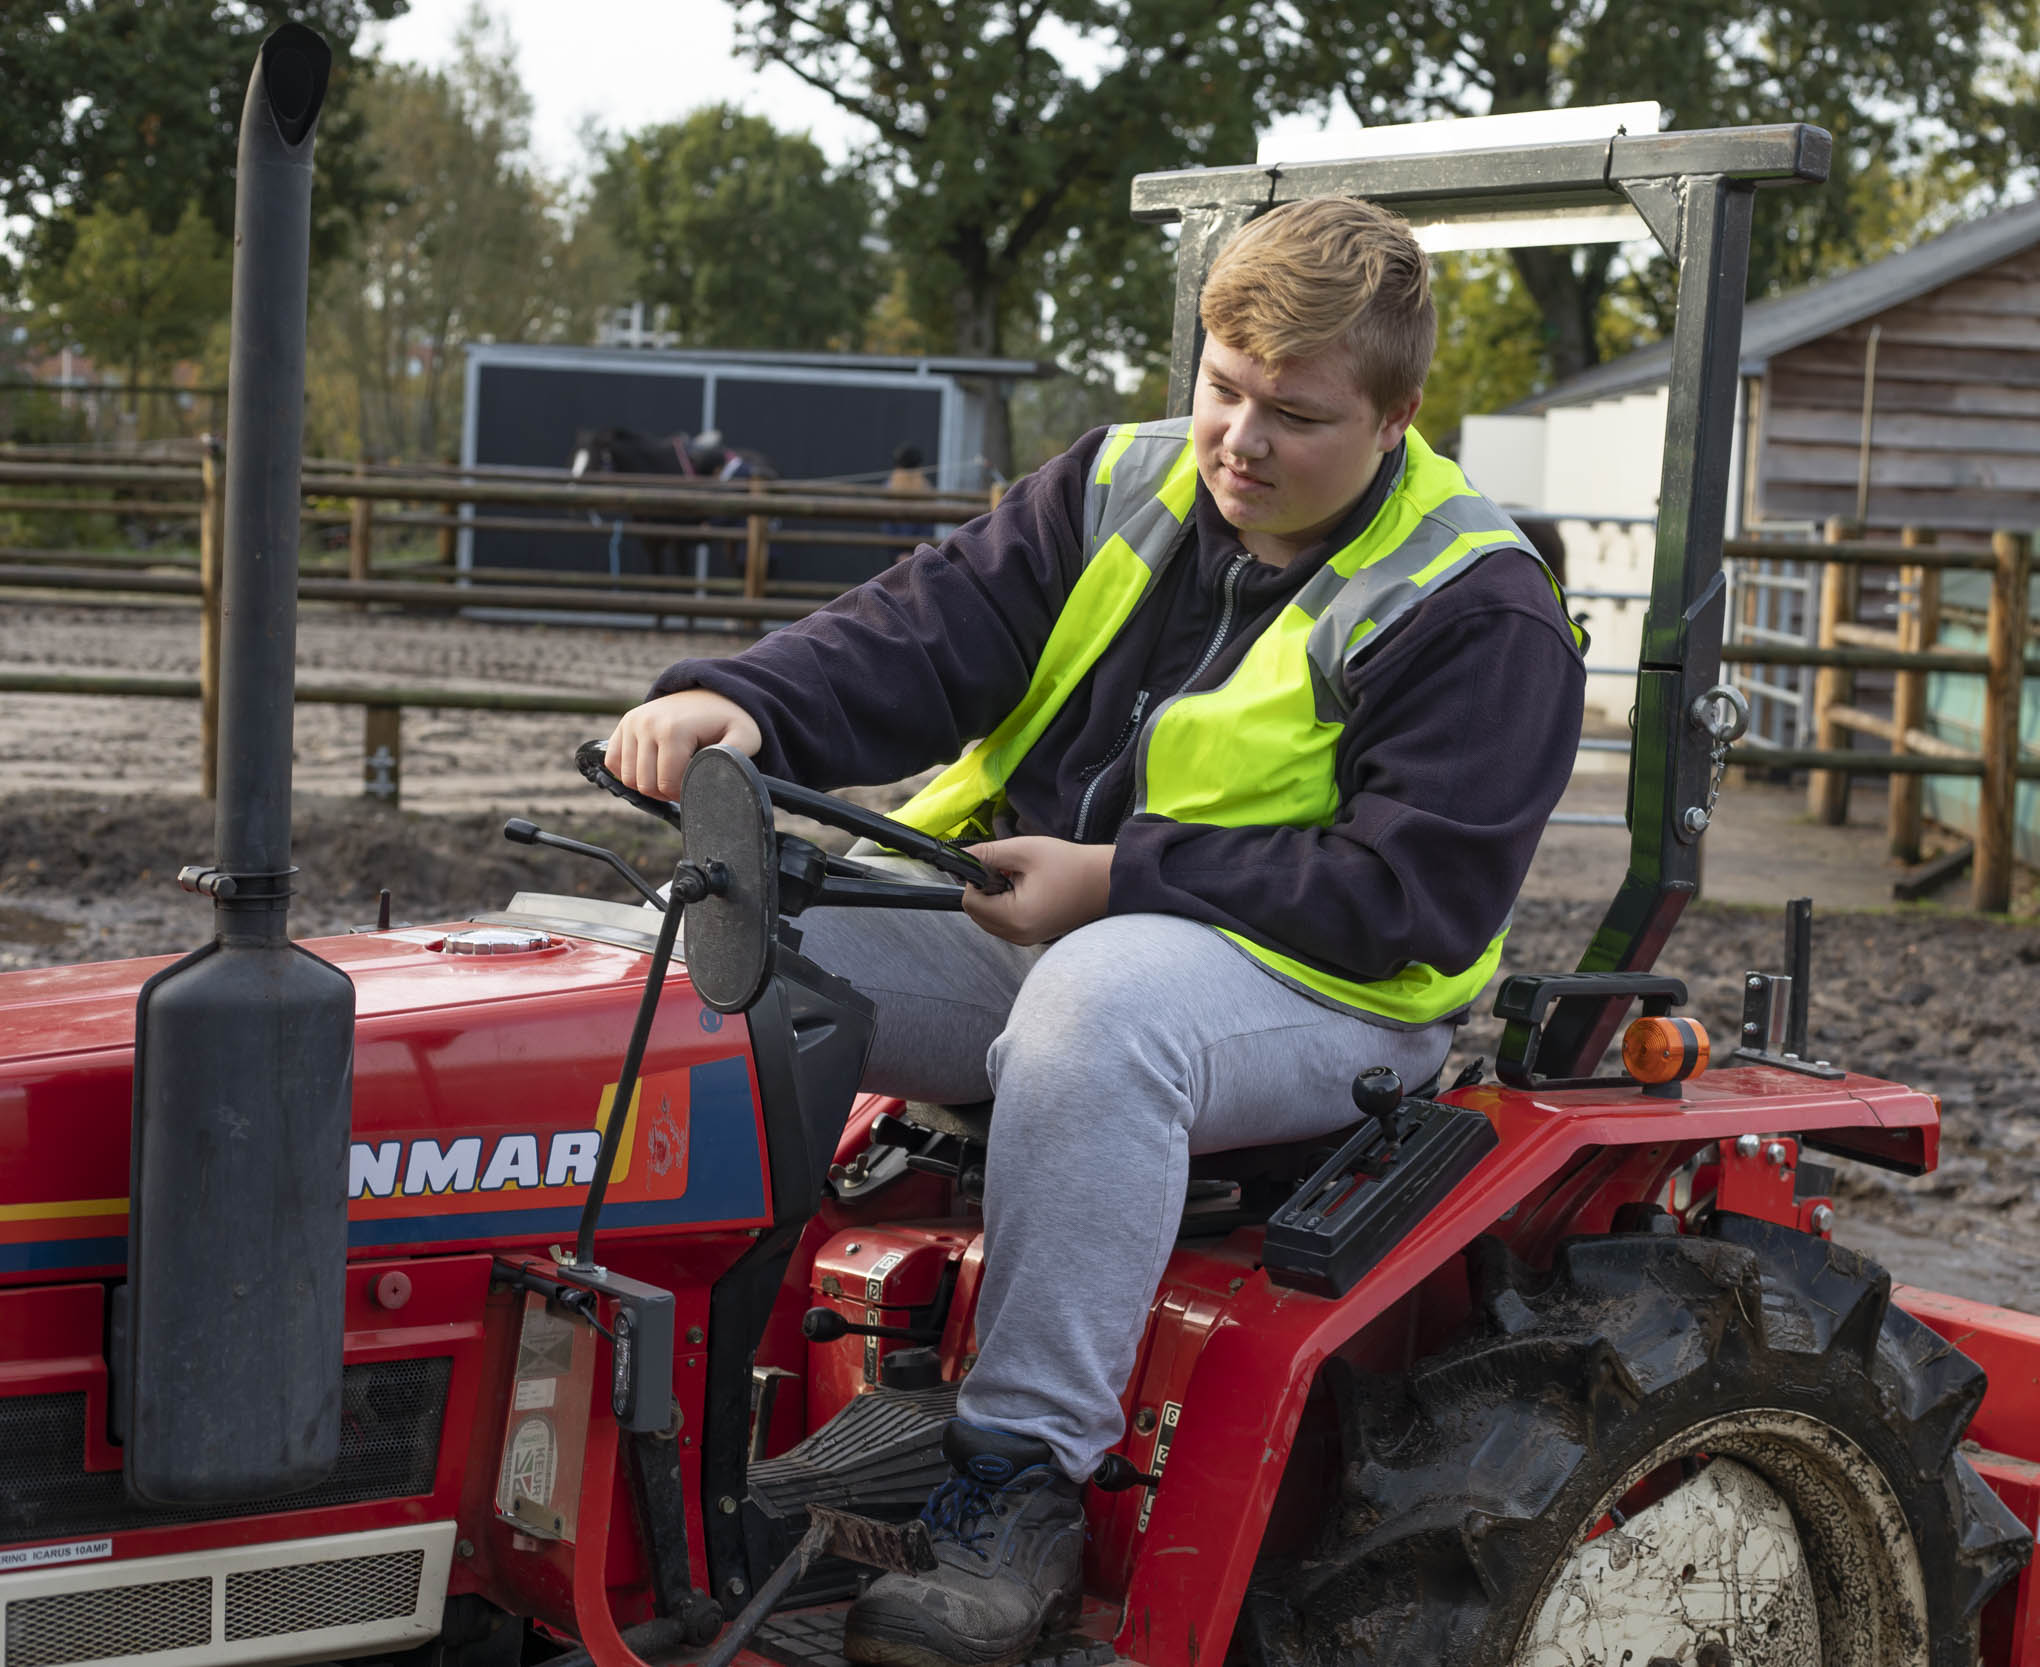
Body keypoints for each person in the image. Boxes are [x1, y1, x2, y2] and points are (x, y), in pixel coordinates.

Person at [604, 196, 1585, 1667]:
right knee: (726, 951)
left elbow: (1409, 899)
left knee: (1100, 1018)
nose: (1241, 442)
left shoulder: (1478, 605)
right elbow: (925, 628)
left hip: (1325, 989)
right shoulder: (1124, 480)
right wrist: (748, 704)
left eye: (1296, 416)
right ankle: (668, 1418)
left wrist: (1117, 879)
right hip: (1052, 907)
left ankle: (1018, 1485)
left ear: (1397, 417)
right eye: (1223, 389)